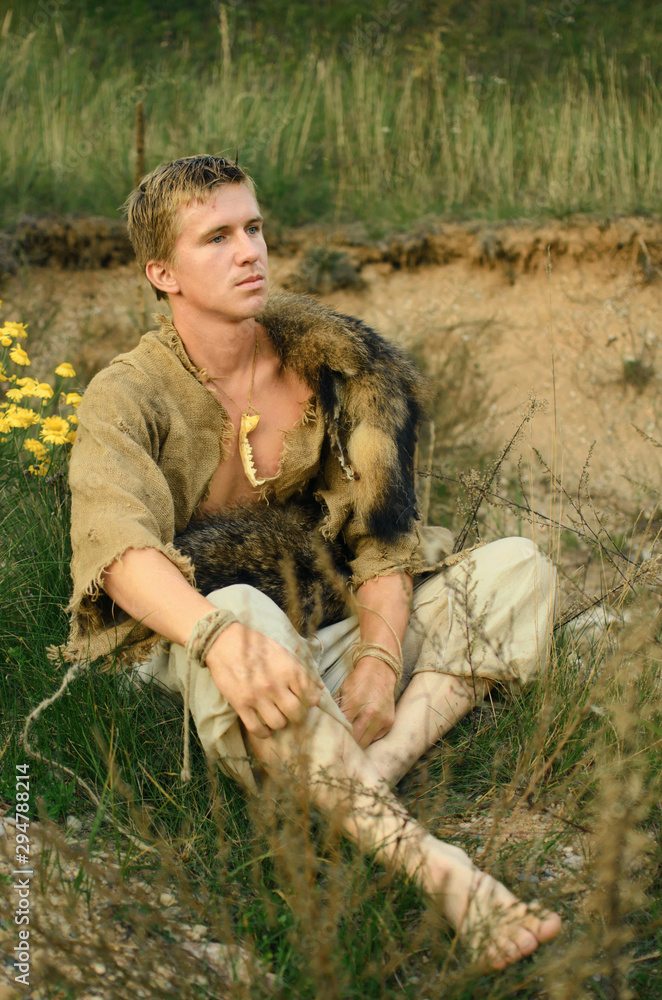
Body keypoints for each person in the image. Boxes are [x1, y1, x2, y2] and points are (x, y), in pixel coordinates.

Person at [63, 154, 562, 970]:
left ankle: (358, 781)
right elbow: (117, 553)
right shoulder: (128, 395)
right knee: (247, 611)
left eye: (254, 227)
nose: (249, 250)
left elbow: (384, 534)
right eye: (216, 237)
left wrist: (377, 652)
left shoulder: (328, 365)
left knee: (518, 568)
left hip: (324, 623)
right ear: (162, 273)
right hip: (206, 642)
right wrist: (220, 635)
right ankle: (445, 873)